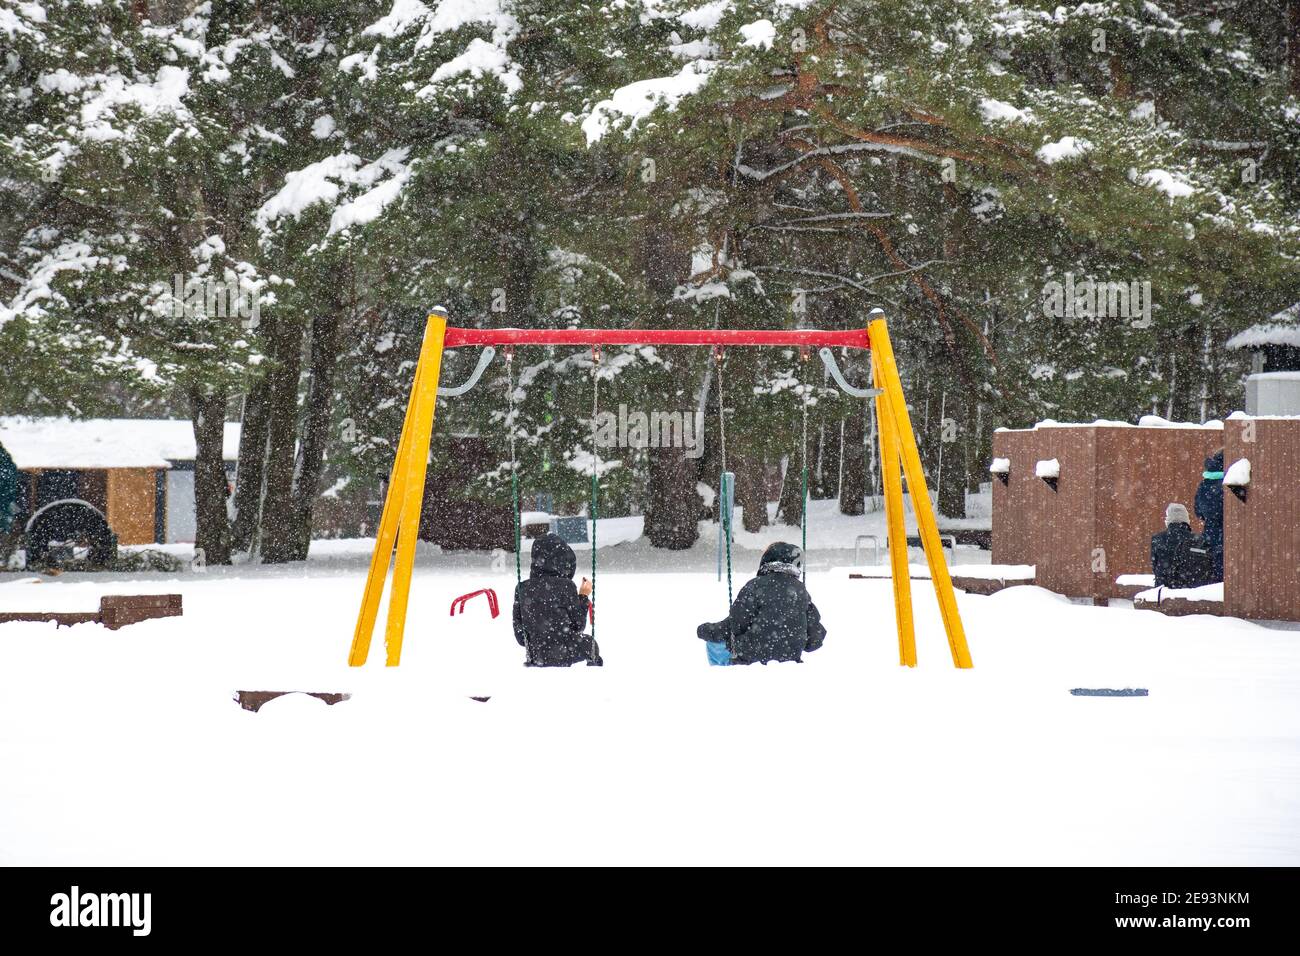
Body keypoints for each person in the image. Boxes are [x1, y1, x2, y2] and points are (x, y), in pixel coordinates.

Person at [697, 542, 826, 665]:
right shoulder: (800, 591)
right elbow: (815, 639)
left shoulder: (755, 586)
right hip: (789, 661)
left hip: (752, 658)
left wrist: (706, 630)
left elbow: (735, 626)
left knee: (714, 643)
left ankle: (721, 678)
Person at [513, 533, 602, 666]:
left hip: (536, 655)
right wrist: (583, 596)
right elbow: (578, 625)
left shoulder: (522, 588)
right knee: (591, 646)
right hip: (566, 651)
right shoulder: (566, 586)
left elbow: (521, 636)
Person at [1151, 503, 1213, 589]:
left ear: (1168, 519)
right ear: (1186, 519)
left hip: (1164, 593)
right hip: (1191, 593)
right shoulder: (1200, 541)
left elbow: (1155, 565)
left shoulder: (1157, 539)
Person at [1194, 450, 1225, 581]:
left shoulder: (1204, 484)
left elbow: (1198, 511)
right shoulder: (1228, 484)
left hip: (1209, 532)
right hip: (1226, 533)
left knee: (1209, 567)